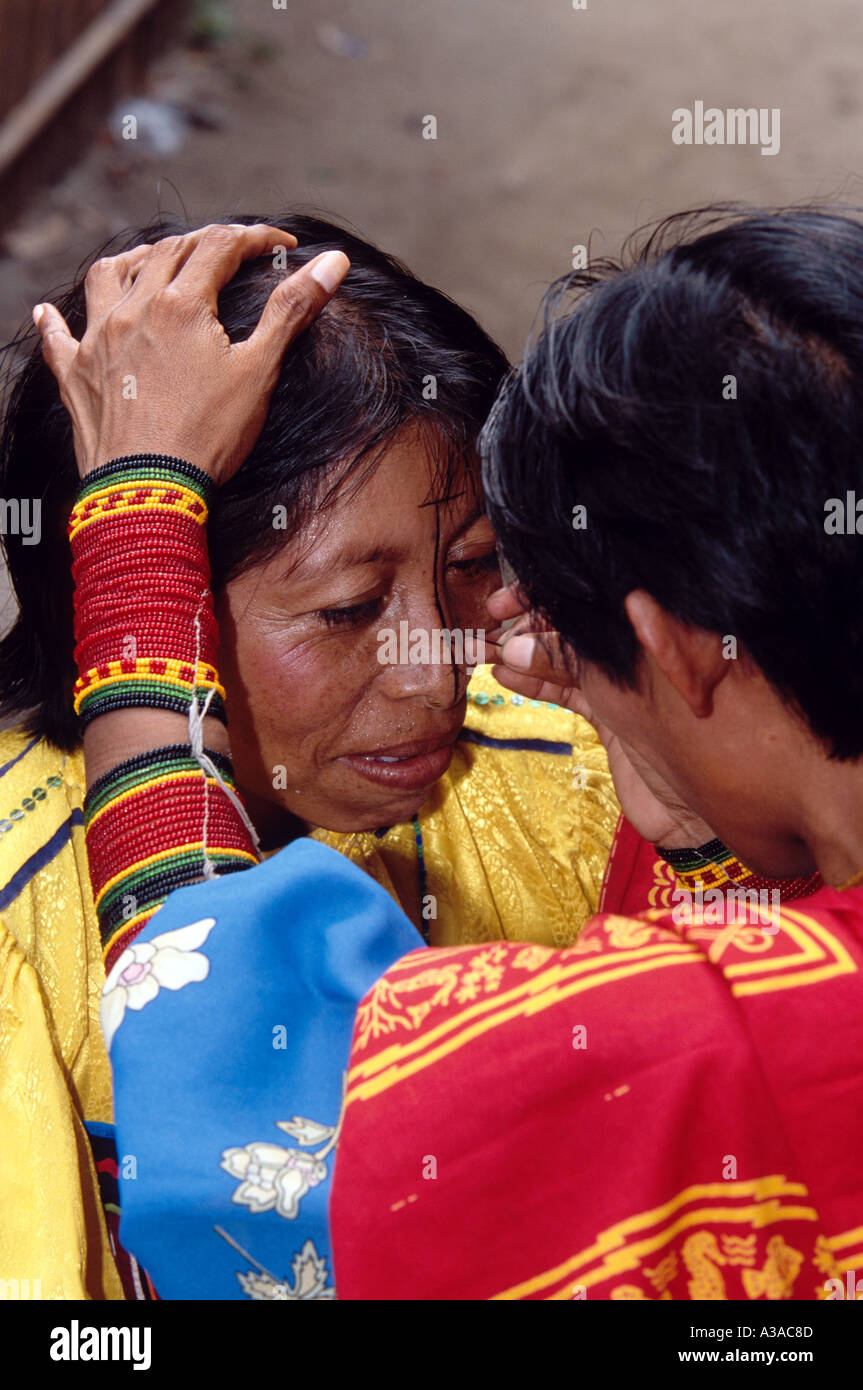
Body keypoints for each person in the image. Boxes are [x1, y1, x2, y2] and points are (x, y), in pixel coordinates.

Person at [28, 206, 852, 1301]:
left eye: (473, 563)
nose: (440, 674)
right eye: (346, 607)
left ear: (682, 653)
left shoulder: (572, 791)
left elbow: (262, 1117)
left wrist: (136, 524)